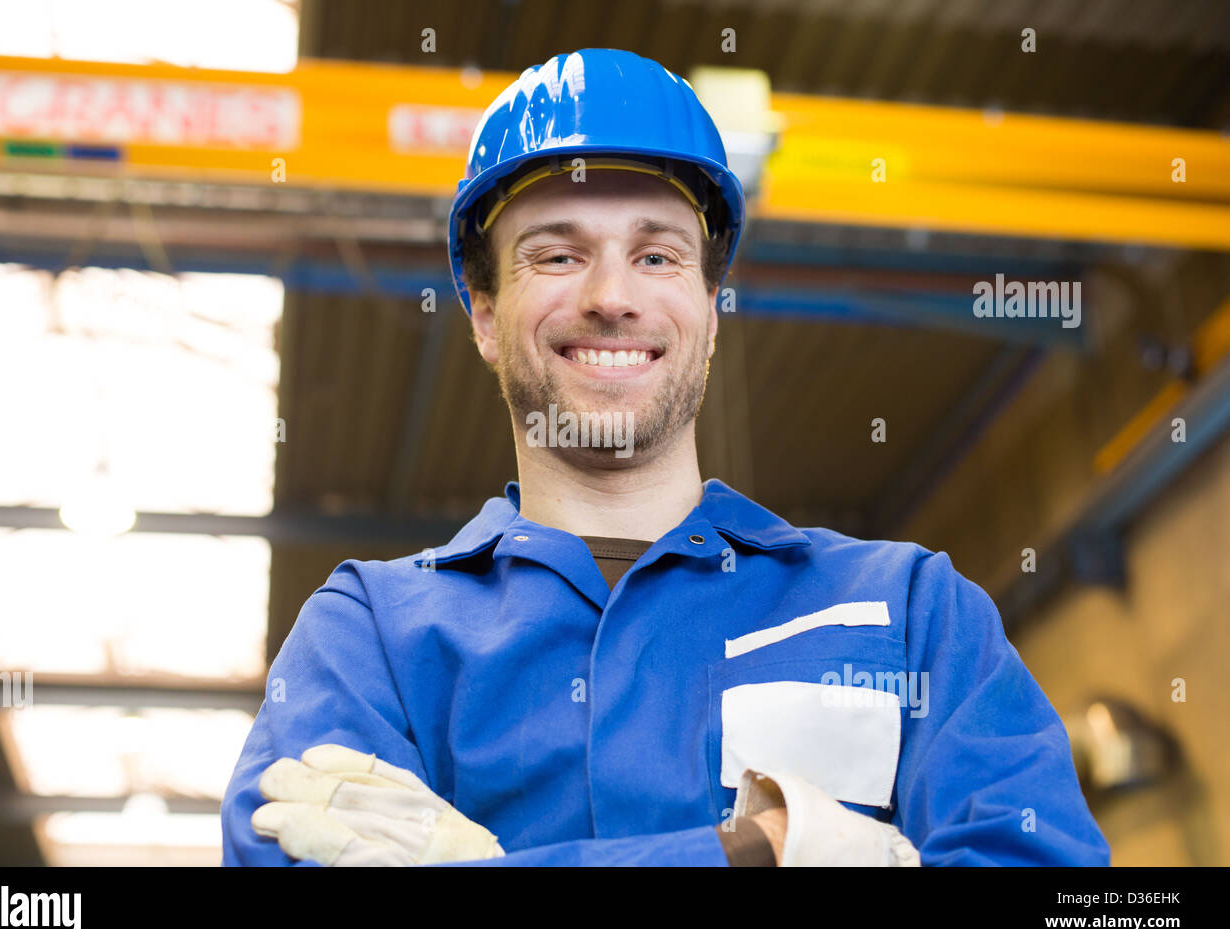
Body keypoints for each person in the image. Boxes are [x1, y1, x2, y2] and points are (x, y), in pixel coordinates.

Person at [220, 48, 1111, 867]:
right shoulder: (371, 634)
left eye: (657, 254)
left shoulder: (912, 612)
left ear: (711, 309)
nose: (613, 297)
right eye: (558, 254)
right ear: (485, 316)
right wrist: (764, 851)